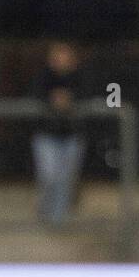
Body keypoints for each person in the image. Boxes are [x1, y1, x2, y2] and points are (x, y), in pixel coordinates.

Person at [31, 41, 86, 225]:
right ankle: (46, 211)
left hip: (71, 136)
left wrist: (70, 99)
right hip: (46, 136)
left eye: (65, 57)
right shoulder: (43, 77)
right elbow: (33, 95)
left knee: (66, 177)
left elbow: (90, 95)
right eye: (57, 57)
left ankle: (59, 219)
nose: (61, 60)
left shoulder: (80, 78)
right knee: (49, 175)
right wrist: (51, 99)